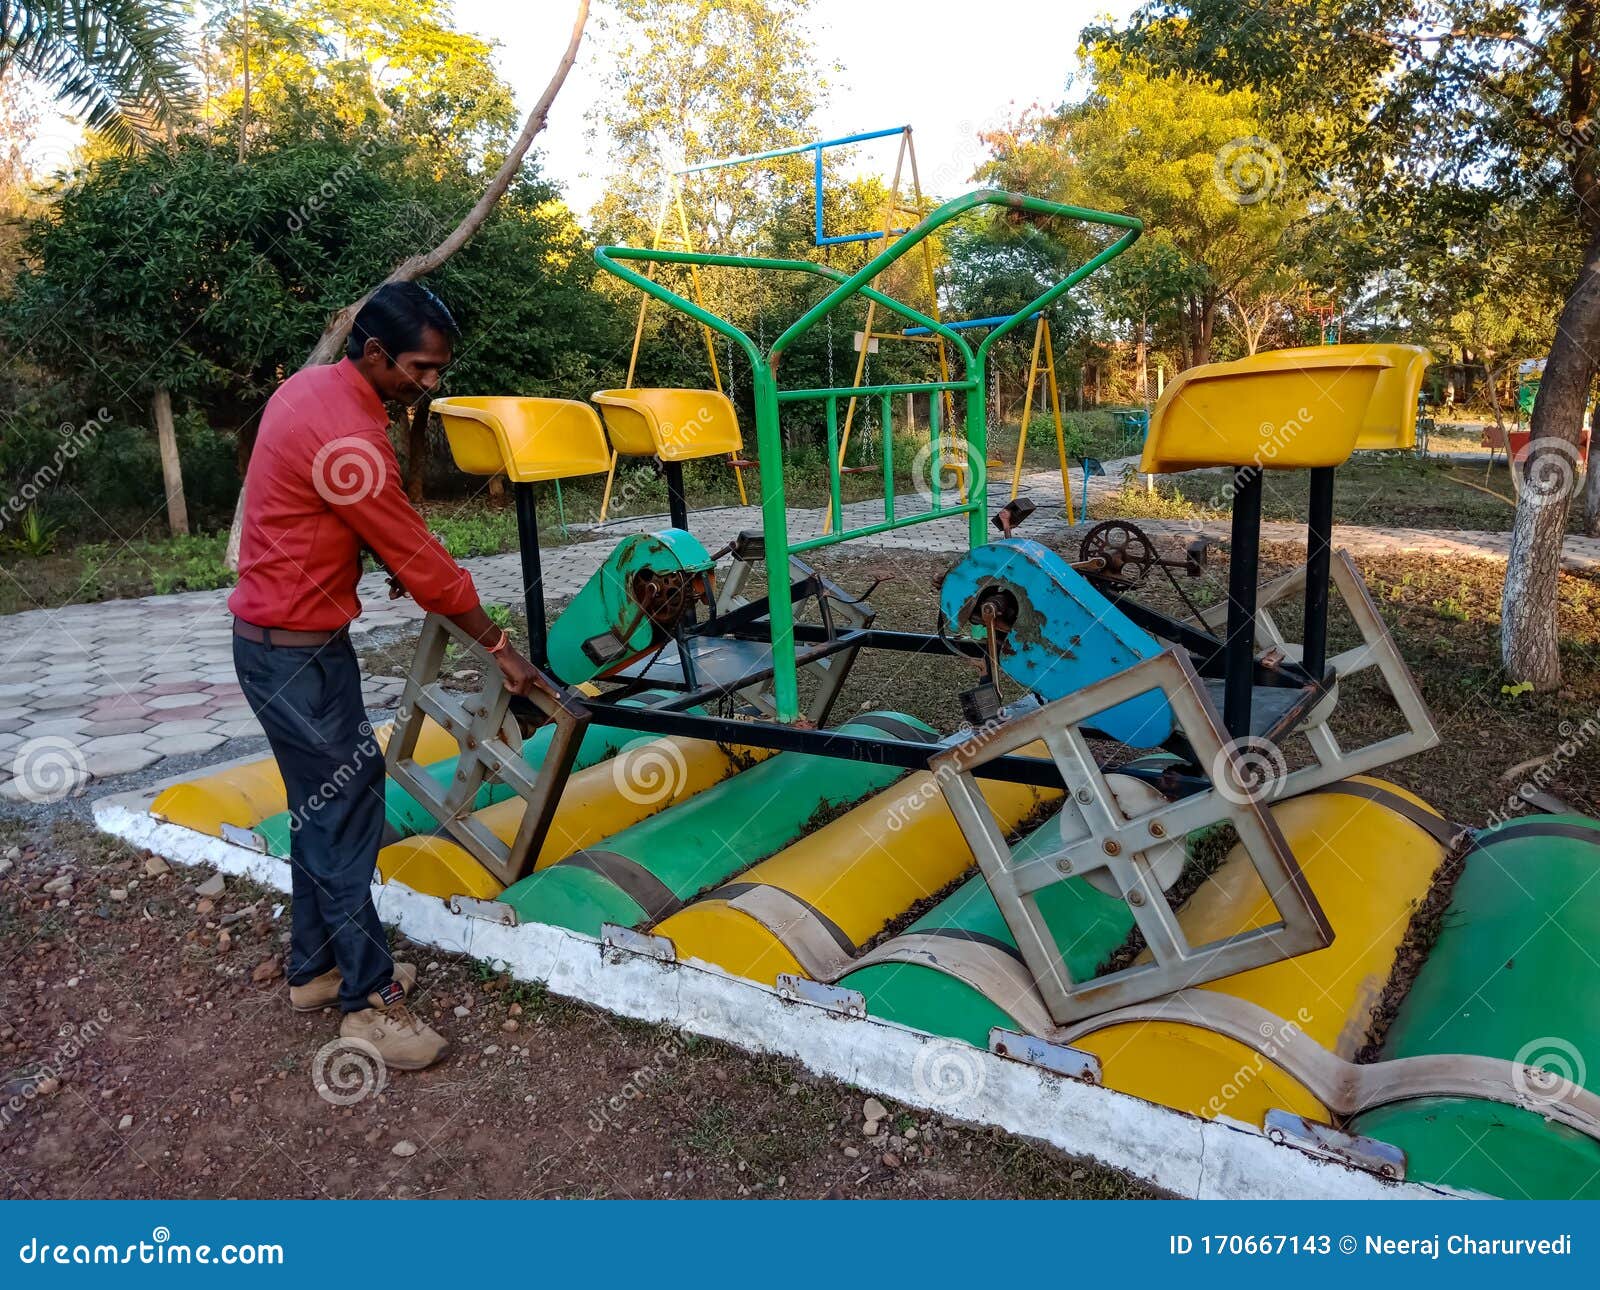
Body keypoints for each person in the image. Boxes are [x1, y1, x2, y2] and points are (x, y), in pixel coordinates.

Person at [229, 282, 540, 1072]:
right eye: (421, 368)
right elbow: (420, 559)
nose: (431, 383)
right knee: (343, 809)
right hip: (289, 652)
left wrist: (376, 547)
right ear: (375, 353)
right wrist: (498, 644)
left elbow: (342, 510)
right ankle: (369, 1003)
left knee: (327, 802)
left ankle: (316, 969)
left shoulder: (317, 387)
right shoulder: (351, 438)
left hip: (291, 641)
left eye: (439, 369)